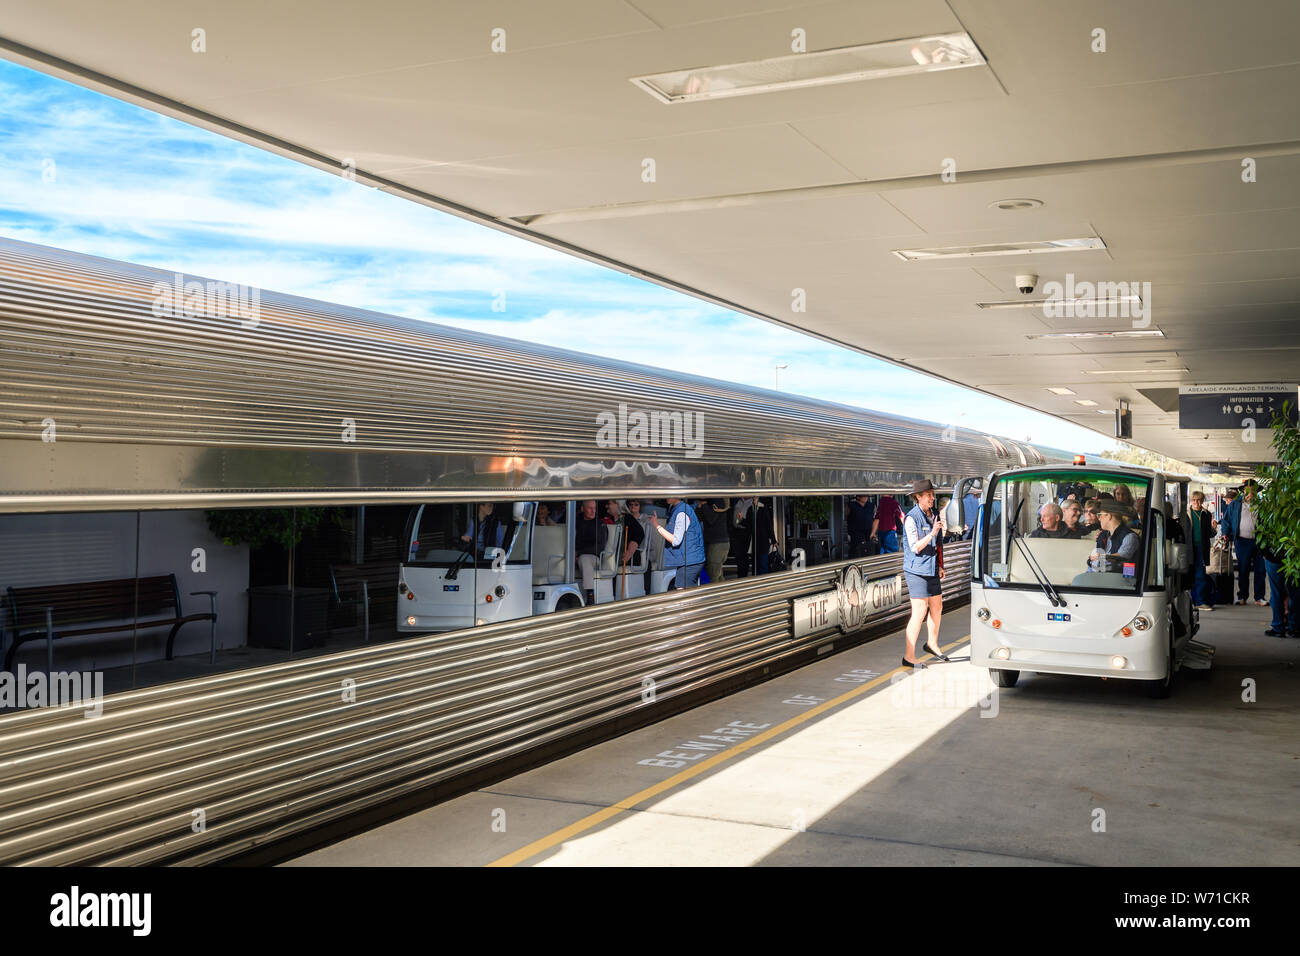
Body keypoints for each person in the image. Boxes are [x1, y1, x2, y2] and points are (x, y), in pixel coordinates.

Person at [901, 479, 946, 669]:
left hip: (932, 567)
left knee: (937, 607)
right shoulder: (911, 518)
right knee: (919, 612)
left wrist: (941, 565)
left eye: (932, 494)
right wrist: (932, 532)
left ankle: (932, 644)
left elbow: (938, 544)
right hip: (916, 570)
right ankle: (909, 656)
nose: (932, 498)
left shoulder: (934, 513)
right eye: (928, 495)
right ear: (917, 497)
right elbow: (915, 547)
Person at [1221, 479, 1266, 606]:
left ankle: (1259, 597)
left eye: (1253, 490)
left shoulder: (1262, 505)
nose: (1250, 492)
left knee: (1260, 570)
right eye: (1248, 490)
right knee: (1243, 569)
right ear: (1243, 491)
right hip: (1242, 541)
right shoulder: (1235, 504)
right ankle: (1242, 597)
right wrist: (1225, 533)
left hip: (1259, 542)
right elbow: (1226, 520)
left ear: (1257, 492)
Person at [650, 496, 706, 588]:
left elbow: (675, 540)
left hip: (689, 561)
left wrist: (657, 526)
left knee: (682, 593)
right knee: (688, 593)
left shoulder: (682, 513)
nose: (666, 496)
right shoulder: (678, 508)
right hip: (691, 559)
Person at [1086, 499, 1140, 573]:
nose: (1099, 518)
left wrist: (1101, 557)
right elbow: (1096, 565)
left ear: (1108, 516)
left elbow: (1123, 556)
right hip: (1103, 578)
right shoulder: (1103, 535)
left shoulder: (1130, 536)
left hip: (1124, 580)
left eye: (1099, 515)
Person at [574, 499, 608, 604]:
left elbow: (600, 547)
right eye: (590, 508)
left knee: (585, 559)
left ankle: (590, 596)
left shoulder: (600, 524)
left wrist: (579, 553)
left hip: (595, 558)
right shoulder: (575, 522)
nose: (593, 511)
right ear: (582, 509)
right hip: (575, 556)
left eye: (594, 508)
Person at [1187, 491, 1216, 611]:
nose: (1196, 503)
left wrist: (1214, 529)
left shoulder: (1206, 514)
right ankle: (1190, 601)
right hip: (1188, 548)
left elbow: (1209, 534)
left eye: (1198, 500)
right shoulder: (1186, 514)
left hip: (1201, 548)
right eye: (1194, 500)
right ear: (1191, 501)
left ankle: (1200, 601)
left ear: (1202, 501)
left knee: (1200, 574)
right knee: (1188, 574)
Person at [697, 498, 731, 584]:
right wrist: (700, 506)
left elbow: (711, 519)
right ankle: (723, 595)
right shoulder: (709, 502)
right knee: (718, 574)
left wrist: (703, 505)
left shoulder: (718, 501)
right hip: (715, 542)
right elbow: (698, 517)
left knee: (713, 575)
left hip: (718, 543)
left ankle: (718, 596)